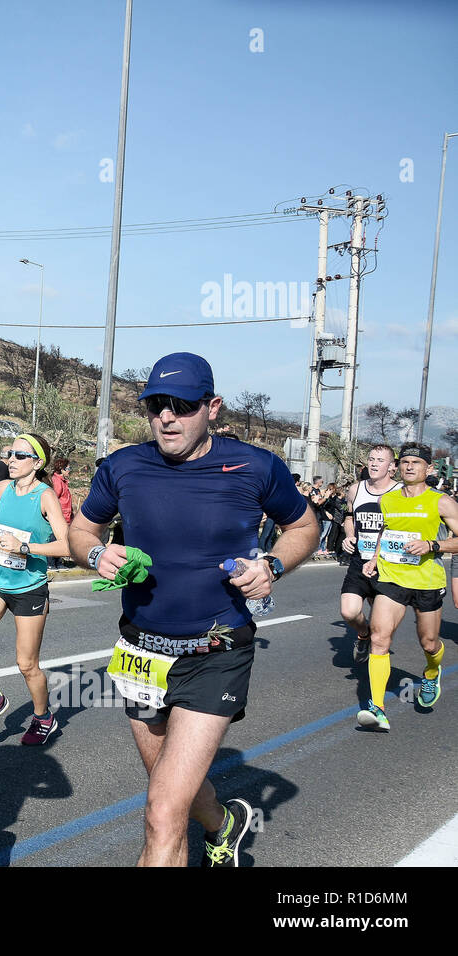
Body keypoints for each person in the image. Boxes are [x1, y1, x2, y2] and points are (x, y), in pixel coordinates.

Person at [67, 352, 318, 867]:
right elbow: (81, 529)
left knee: (162, 812)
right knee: (169, 787)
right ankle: (225, 823)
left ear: (213, 408)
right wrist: (95, 553)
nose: (166, 416)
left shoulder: (255, 465)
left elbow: (306, 527)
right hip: (140, 650)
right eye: (157, 404)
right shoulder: (122, 467)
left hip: (216, 649)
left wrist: (271, 565)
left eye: (181, 405)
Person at [0, 433, 70, 743]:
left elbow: (66, 545)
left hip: (29, 589)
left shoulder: (45, 496)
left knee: (27, 664)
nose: (12, 460)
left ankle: (44, 717)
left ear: (37, 462)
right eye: (10, 453)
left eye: (20, 455)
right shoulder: (4, 488)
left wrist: (25, 547)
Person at [358, 444, 458, 728]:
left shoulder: (441, 501)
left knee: (429, 642)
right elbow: (386, 531)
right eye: (405, 462)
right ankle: (377, 708)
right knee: (379, 637)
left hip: (427, 580)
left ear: (428, 468)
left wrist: (432, 545)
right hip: (392, 578)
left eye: (416, 462)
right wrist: (376, 558)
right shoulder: (388, 500)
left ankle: (431, 671)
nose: (409, 467)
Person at [339, 446, 401, 665]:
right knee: (348, 611)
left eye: (380, 460)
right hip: (360, 560)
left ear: (392, 467)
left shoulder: (400, 493)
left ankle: (376, 655)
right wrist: (349, 536)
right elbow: (349, 517)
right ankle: (363, 634)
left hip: (388, 564)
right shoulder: (356, 490)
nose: (374, 464)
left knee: (381, 626)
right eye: (371, 459)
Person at [48, 456, 74, 569]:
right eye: (68, 468)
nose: (69, 471)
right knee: (54, 539)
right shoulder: (57, 482)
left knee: (62, 539)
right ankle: (50, 563)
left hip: (66, 516)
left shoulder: (63, 481)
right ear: (62, 469)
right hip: (59, 516)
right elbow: (54, 499)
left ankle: (58, 562)